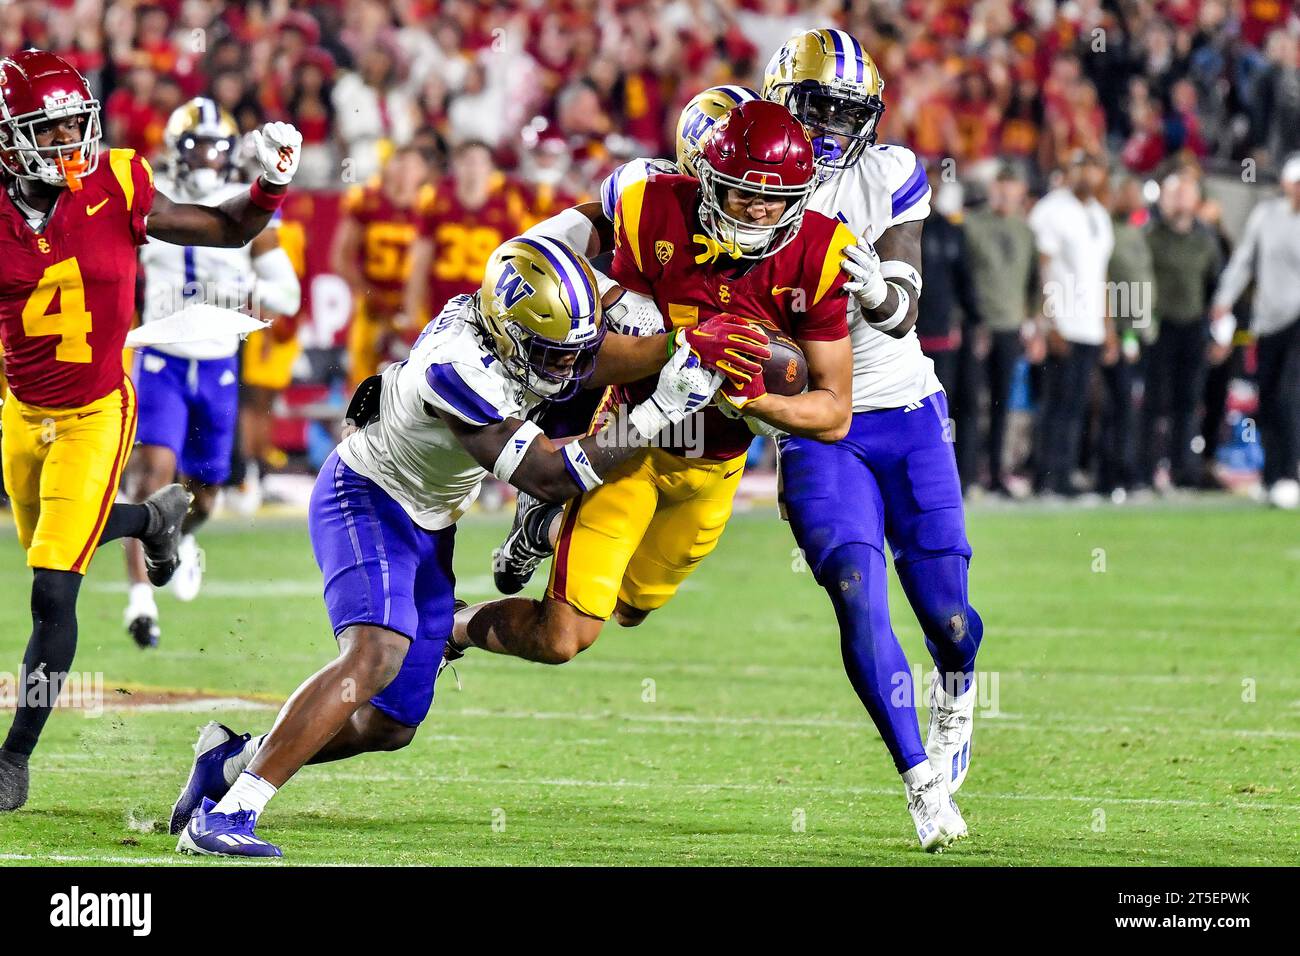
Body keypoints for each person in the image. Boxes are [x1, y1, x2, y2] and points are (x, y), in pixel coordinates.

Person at [171, 235, 736, 857]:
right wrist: (657, 413)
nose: (566, 369)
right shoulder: (459, 367)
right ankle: (228, 817)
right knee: (374, 656)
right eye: (551, 354)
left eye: (573, 351)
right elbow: (547, 473)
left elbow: (591, 354)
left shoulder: (520, 326)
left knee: (390, 722)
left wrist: (691, 344)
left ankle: (229, 766)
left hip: (432, 519)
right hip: (368, 495)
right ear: (509, 333)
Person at [449, 103, 855, 710]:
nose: (761, 211)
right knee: (564, 637)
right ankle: (449, 629)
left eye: (775, 198)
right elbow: (590, 350)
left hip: (715, 470)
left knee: (630, 609)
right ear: (708, 176)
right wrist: (678, 347)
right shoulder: (651, 204)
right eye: (743, 194)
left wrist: (756, 399)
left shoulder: (820, 251)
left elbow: (834, 411)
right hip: (631, 444)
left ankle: (546, 522)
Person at [0, 50, 304, 811]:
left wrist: (269, 184)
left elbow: (230, 229)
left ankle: (13, 756)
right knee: (43, 541)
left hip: (97, 408)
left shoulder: (116, 182)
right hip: (20, 409)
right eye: (53, 126)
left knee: (52, 589)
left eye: (78, 121)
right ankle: (150, 517)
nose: (73, 138)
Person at [762, 29, 980, 850]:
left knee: (948, 617)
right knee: (856, 586)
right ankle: (920, 783)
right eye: (817, 106)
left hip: (904, 408)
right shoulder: (739, 178)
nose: (828, 128)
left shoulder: (886, 172)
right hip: (822, 424)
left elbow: (902, 305)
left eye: (846, 113)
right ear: (784, 97)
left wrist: (882, 292)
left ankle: (956, 687)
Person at [122, 98, 302, 647]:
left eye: (217, 146)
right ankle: (140, 601)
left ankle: (183, 539)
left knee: (204, 494)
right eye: (196, 144)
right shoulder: (151, 204)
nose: (205, 155)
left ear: (231, 154)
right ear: (177, 148)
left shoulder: (248, 216)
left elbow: (288, 295)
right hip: (161, 359)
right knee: (152, 473)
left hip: (219, 360)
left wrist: (247, 293)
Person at [1210, 156, 1300, 509]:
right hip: (1267, 320)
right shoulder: (1266, 215)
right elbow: (1244, 259)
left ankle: (1290, 475)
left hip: (1298, 319)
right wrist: (1224, 298)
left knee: (1289, 396)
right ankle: (1271, 474)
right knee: (1267, 396)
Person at [1028, 151, 1115, 497]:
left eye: (1094, 166)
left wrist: (1108, 326)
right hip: (1063, 321)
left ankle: (1063, 475)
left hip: (1090, 324)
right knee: (1055, 404)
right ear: (1069, 171)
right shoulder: (1051, 210)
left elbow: (1102, 276)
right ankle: (1046, 477)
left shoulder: (1098, 213)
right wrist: (1048, 322)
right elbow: (1042, 270)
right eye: (1081, 166)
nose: (1088, 174)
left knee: (1078, 405)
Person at [1142, 170, 1223, 490]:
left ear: (1196, 199)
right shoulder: (1149, 234)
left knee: (1188, 403)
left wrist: (1220, 333)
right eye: (1173, 193)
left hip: (1193, 326)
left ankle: (1183, 469)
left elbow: (1216, 287)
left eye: (1185, 193)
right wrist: (1135, 329)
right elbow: (1132, 281)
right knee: (1153, 402)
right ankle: (1144, 469)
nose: (1179, 200)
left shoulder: (1206, 238)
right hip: (1158, 326)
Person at [963, 163, 1040, 495]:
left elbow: (1035, 282)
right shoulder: (970, 224)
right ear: (993, 187)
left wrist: (1033, 323)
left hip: (1010, 326)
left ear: (1021, 192)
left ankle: (996, 472)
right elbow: (961, 278)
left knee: (1001, 404)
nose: (1006, 193)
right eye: (1001, 186)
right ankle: (965, 474)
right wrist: (967, 321)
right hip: (977, 326)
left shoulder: (1026, 231)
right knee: (967, 403)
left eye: (1013, 187)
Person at [331, 144, 431, 391]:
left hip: (415, 305)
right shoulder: (367, 201)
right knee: (363, 383)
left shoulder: (430, 207)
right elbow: (341, 258)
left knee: (418, 383)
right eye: (400, 163)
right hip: (373, 304)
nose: (405, 173)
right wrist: (368, 292)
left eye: (412, 166)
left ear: (423, 171)